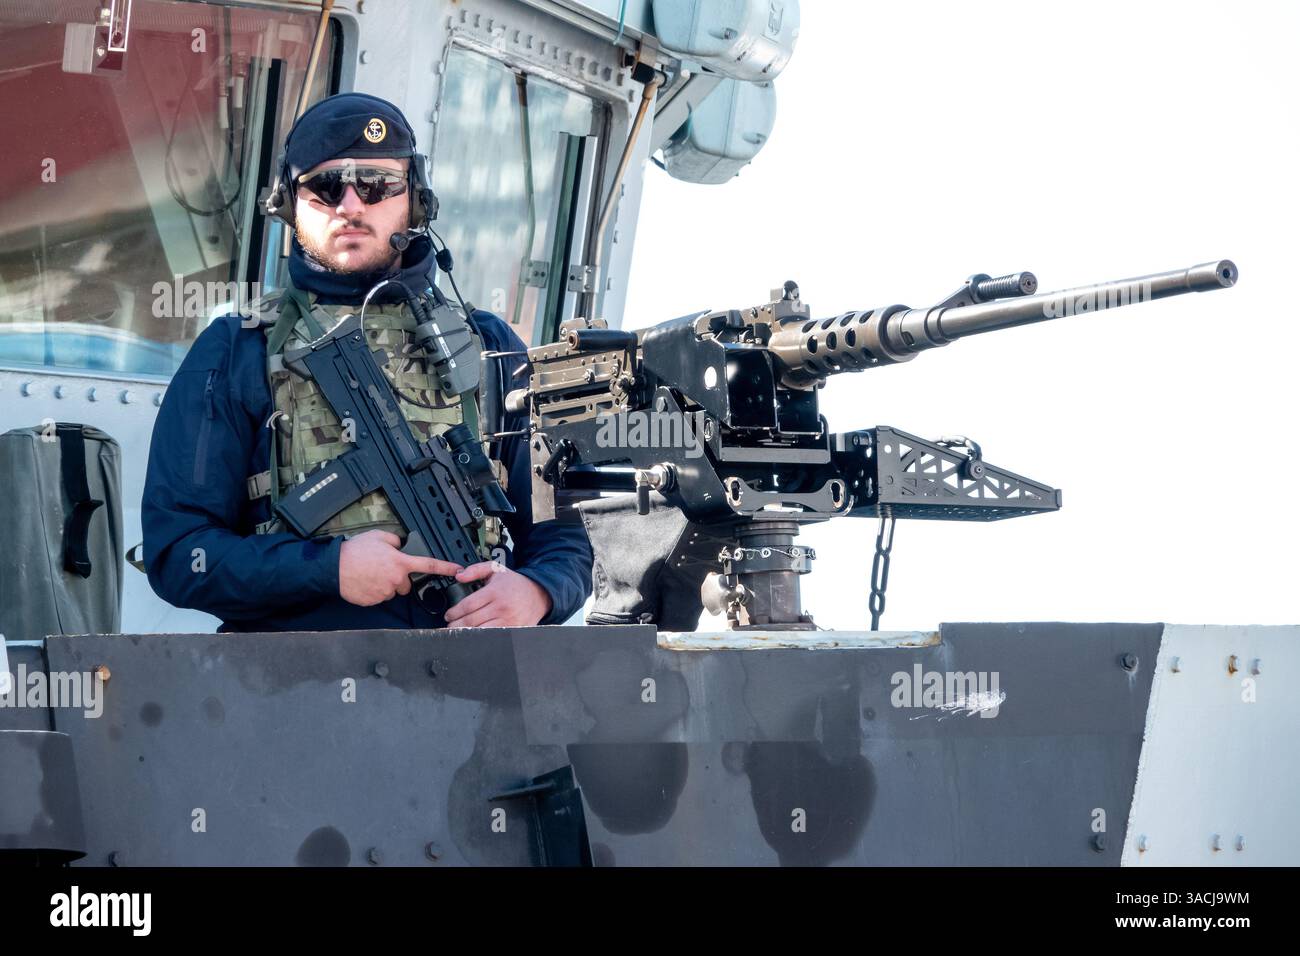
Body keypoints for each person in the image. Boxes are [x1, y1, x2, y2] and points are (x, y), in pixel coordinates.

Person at [142, 92, 592, 632]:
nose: (351, 206)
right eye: (327, 187)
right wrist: (326, 571)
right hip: (289, 686)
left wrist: (538, 592)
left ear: (415, 200)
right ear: (290, 202)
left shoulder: (489, 346)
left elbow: (568, 529)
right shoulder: (236, 351)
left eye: (378, 186)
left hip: (469, 681)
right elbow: (179, 554)